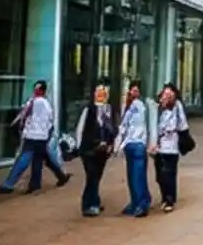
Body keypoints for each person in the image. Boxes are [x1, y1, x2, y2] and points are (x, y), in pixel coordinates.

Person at [0, 80, 70, 193]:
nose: (35, 91)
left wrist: (16, 125)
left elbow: (23, 115)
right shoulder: (46, 104)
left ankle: (9, 184)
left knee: (25, 159)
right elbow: (49, 121)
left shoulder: (33, 102)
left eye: (37, 89)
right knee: (41, 158)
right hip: (42, 136)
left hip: (32, 135)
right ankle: (44, 181)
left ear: (41, 90)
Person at [74, 83, 114, 216]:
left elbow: (112, 129)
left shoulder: (108, 109)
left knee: (97, 176)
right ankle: (88, 205)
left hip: (102, 151)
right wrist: (79, 147)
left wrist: (111, 144)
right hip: (89, 150)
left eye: (104, 92)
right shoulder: (88, 109)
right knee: (92, 176)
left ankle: (94, 200)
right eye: (98, 91)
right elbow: (80, 128)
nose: (101, 94)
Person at [114, 79, 152, 217]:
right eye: (132, 90)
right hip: (130, 144)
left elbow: (137, 127)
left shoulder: (139, 106)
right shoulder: (129, 106)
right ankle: (137, 202)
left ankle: (141, 203)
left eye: (136, 90)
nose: (133, 92)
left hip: (137, 144)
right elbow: (124, 126)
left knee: (137, 175)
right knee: (133, 176)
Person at [151, 83, 188, 213]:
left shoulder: (177, 106)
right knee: (159, 175)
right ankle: (164, 196)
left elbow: (183, 124)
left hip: (172, 144)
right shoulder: (157, 108)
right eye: (165, 94)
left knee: (169, 173)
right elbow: (152, 125)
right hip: (159, 145)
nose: (167, 96)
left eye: (170, 94)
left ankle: (170, 199)